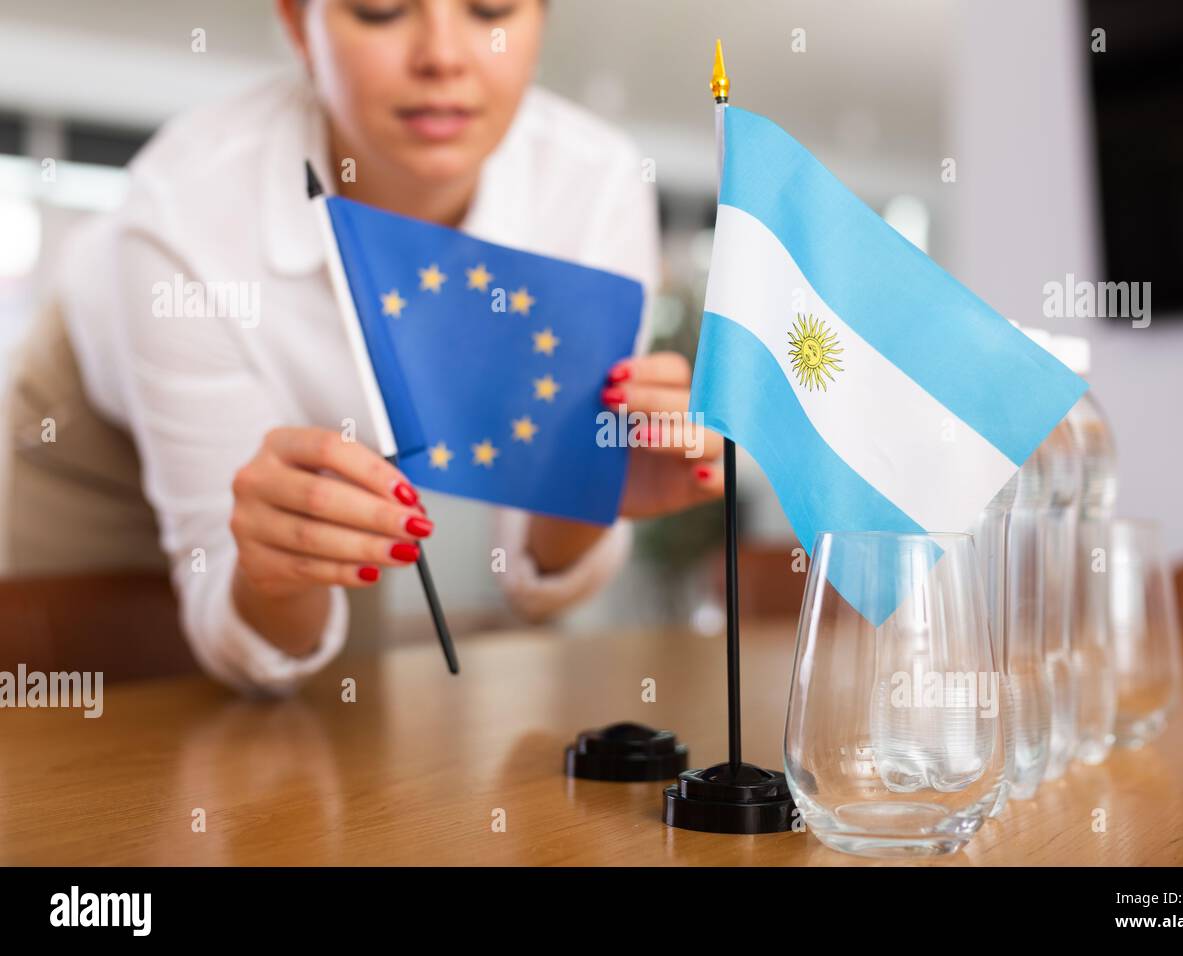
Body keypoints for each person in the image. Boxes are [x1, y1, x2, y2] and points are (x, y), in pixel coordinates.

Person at [19, 0, 722, 695]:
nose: (443, 56)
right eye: (382, 10)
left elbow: (535, 588)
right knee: (73, 709)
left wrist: (583, 488)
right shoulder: (186, 208)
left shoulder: (595, 187)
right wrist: (263, 572)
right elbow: (229, 605)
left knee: (332, 701)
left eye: (491, 8)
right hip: (87, 447)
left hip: (322, 469)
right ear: (297, 22)